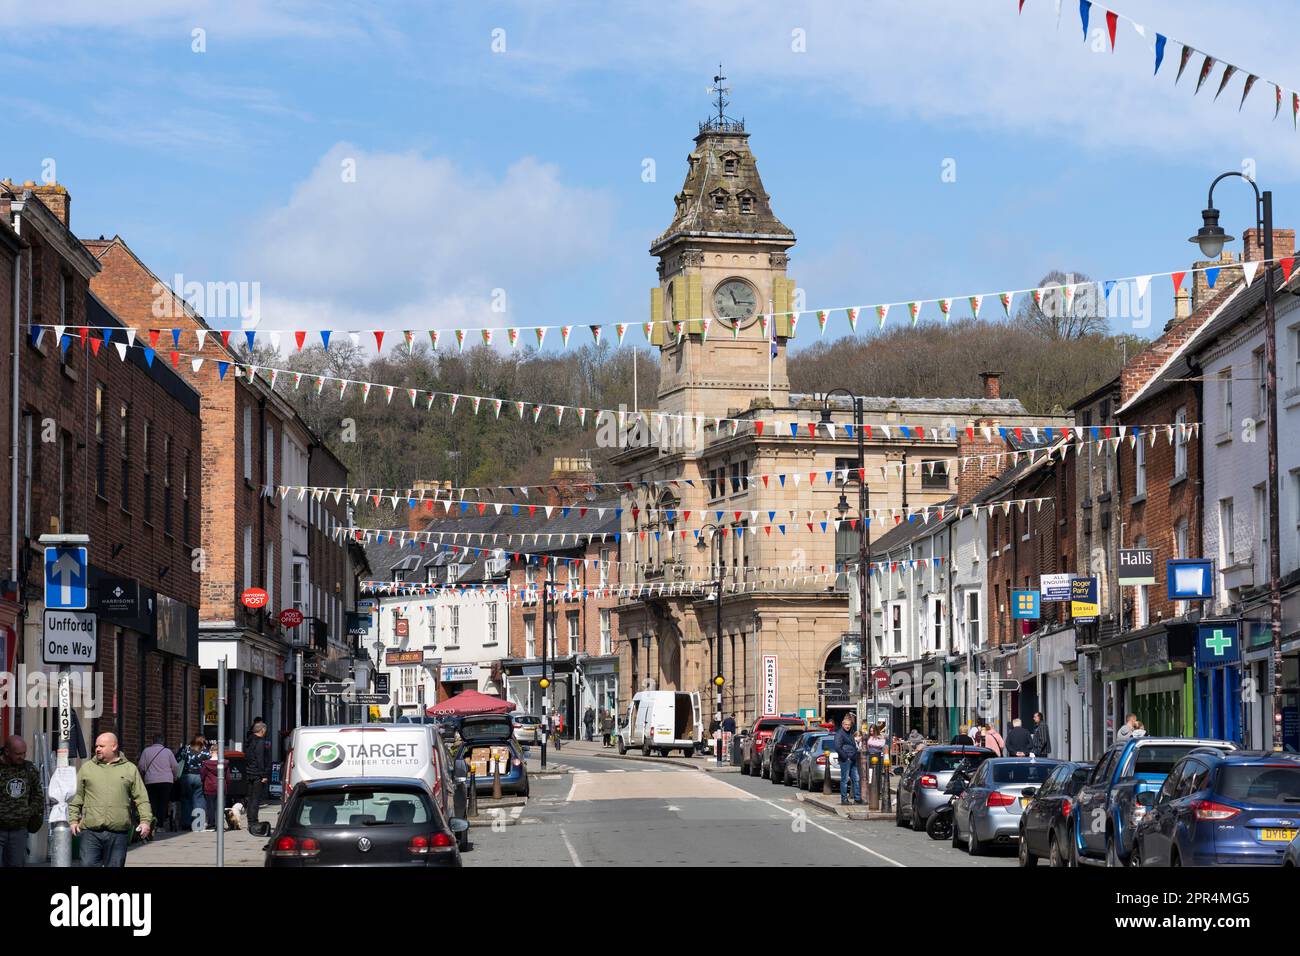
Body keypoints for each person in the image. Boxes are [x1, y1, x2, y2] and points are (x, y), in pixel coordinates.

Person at [69, 733, 153, 867]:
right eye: (96, 746)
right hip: (91, 831)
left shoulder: (129, 769)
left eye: (101, 746)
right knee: (87, 864)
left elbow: (141, 798)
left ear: (114, 747)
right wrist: (73, 820)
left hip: (118, 832)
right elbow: (77, 796)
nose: (97, 749)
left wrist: (145, 821)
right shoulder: (87, 768)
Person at [0, 735, 44, 867]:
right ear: (7, 752)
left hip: (19, 829)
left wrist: (28, 812)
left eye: (24, 753)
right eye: (18, 754)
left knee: (17, 864)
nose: (22, 757)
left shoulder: (29, 769)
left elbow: (38, 795)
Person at [138, 734, 178, 831]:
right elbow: (175, 766)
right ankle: (160, 825)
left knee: (152, 802)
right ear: (162, 741)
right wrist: (175, 777)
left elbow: (141, 766)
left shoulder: (146, 751)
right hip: (166, 781)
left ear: (153, 741)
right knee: (163, 803)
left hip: (150, 781)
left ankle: (153, 824)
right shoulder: (168, 752)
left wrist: (144, 775)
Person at [243, 720, 272, 832]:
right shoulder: (260, 742)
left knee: (250, 798)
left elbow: (248, 757)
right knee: (255, 799)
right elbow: (260, 759)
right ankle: (253, 822)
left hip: (250, 772)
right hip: (257, 774)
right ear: (262, 730)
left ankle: (250, 819)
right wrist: (264, 774)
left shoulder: (249, 741)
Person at [177, 736, 209, 831]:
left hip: (186, 776)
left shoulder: (185, 750)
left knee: (186, 800)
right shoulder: (205, 752)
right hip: (200, 777)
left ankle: (186, 823)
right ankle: (198, 824)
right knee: (199, 799)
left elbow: (177, 759)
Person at [833, 713, 862, 805]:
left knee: (856, 779)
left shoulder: (850, 733)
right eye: (846, 725)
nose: (847, 726)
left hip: (853, 759)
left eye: (849, 725)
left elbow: (853, 744)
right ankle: (844, 799)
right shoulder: (839, 734)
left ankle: (857, 798)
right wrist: (846, 757)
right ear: (842, 724)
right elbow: (837, 747)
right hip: (845, 760)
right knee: (845, 780)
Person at [200, 751, 220, 830]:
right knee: (219, 806)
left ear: (211, 752)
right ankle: (219, 823)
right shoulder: (224, 763)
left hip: (209, 786)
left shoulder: (206, 764)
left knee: (210, 806)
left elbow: (202, 775)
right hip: (220, 786)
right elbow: (227, 776)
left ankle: (211, 823)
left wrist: (203, 782)